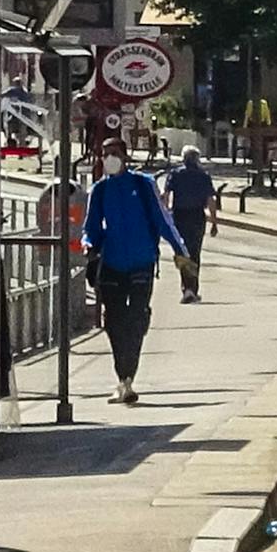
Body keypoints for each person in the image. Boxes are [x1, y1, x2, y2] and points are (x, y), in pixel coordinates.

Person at [78, 142, 183, 406]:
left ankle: (128, 379)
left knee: (136, 320)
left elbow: (162, 220)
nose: (110, 159)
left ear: (125, 156)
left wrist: (180, 249)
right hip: (112, 263)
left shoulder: (143, 184)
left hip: (142, 262)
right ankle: (122, 378)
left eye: (115, 153)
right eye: (105, 154)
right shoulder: (100, 190)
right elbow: (91, 227)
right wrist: (88, 243)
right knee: (114, 322)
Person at [163, 145, 219, 302]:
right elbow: (211, 201)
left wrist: (166, 215)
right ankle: (191, 288)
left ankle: (187, 288)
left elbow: (166, 196)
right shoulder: (203, 176)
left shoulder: (175, 174)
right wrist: (214, 222)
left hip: (179, 216)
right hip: (197, 216)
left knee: (181, 252)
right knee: (194, 253)